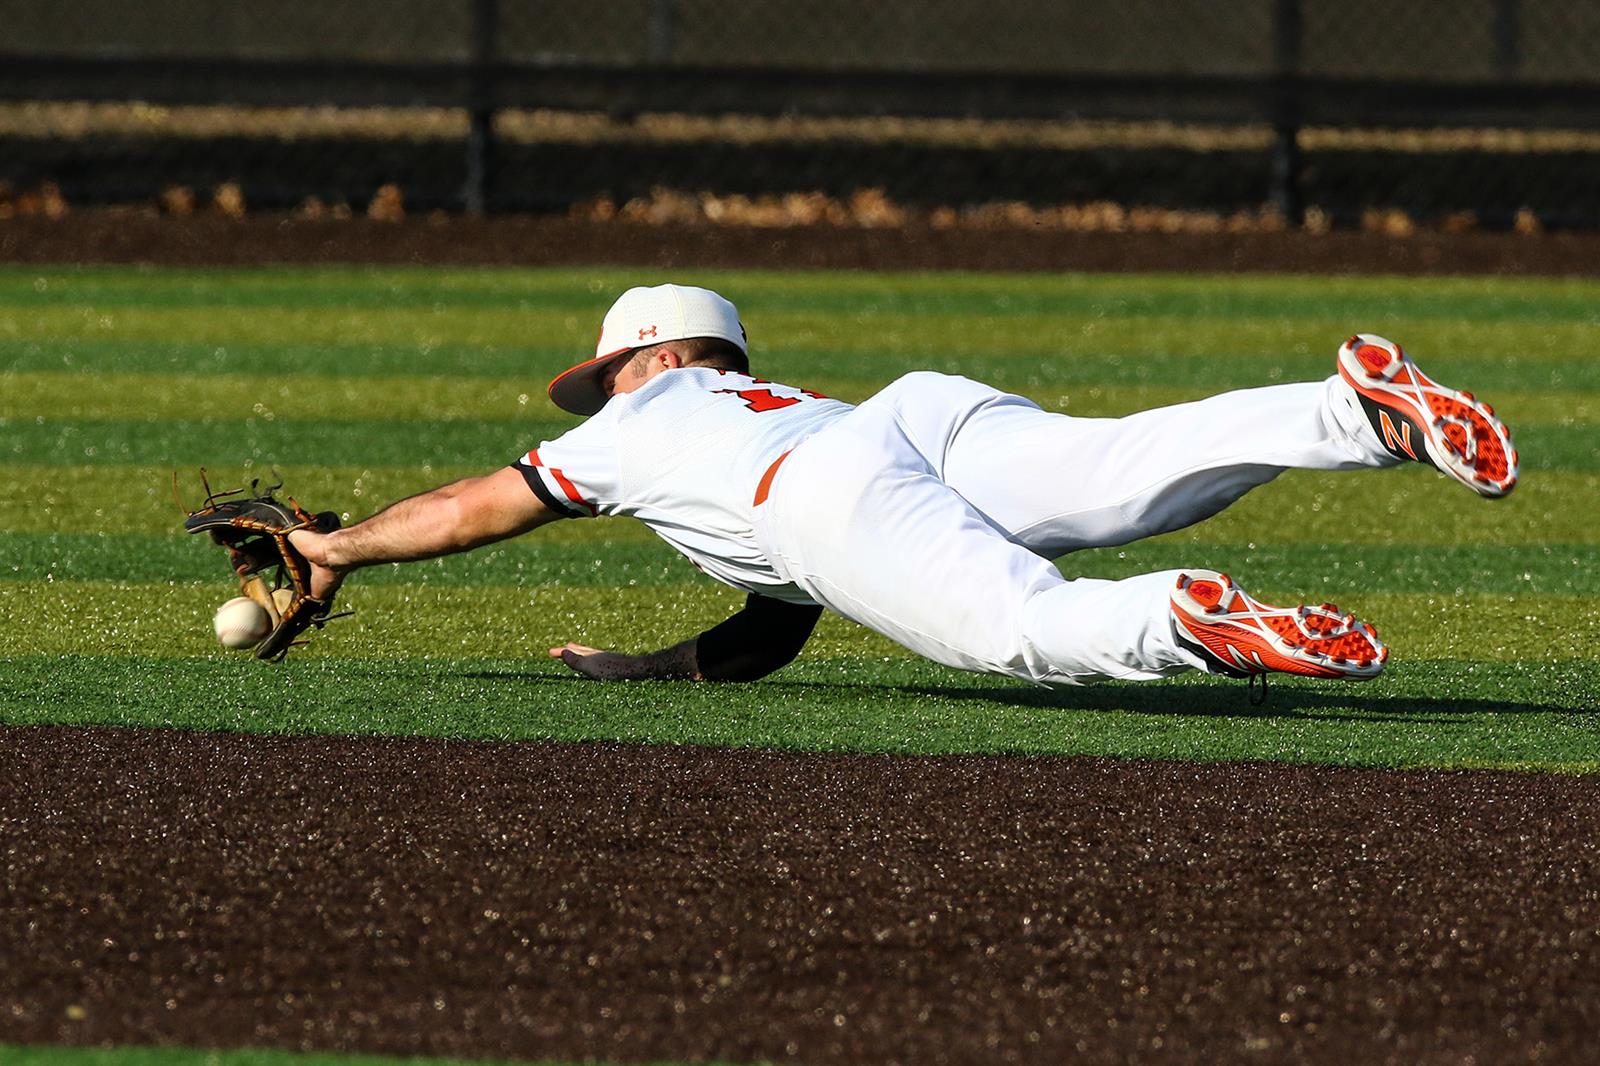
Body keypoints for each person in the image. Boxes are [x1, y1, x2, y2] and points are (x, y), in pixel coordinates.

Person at [289, 283, 1517, 689]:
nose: (597, 394)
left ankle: (1179, 618)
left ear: (659, 356)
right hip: (904, 417)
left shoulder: (645, 417)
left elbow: (465, 510)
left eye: (605, 372)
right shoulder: (753, 403)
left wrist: (338, 551)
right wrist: (648, 670)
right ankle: (1351, 411)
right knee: (1130, 467)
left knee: (1022, 629)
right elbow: (781, 621)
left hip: (824, 490)